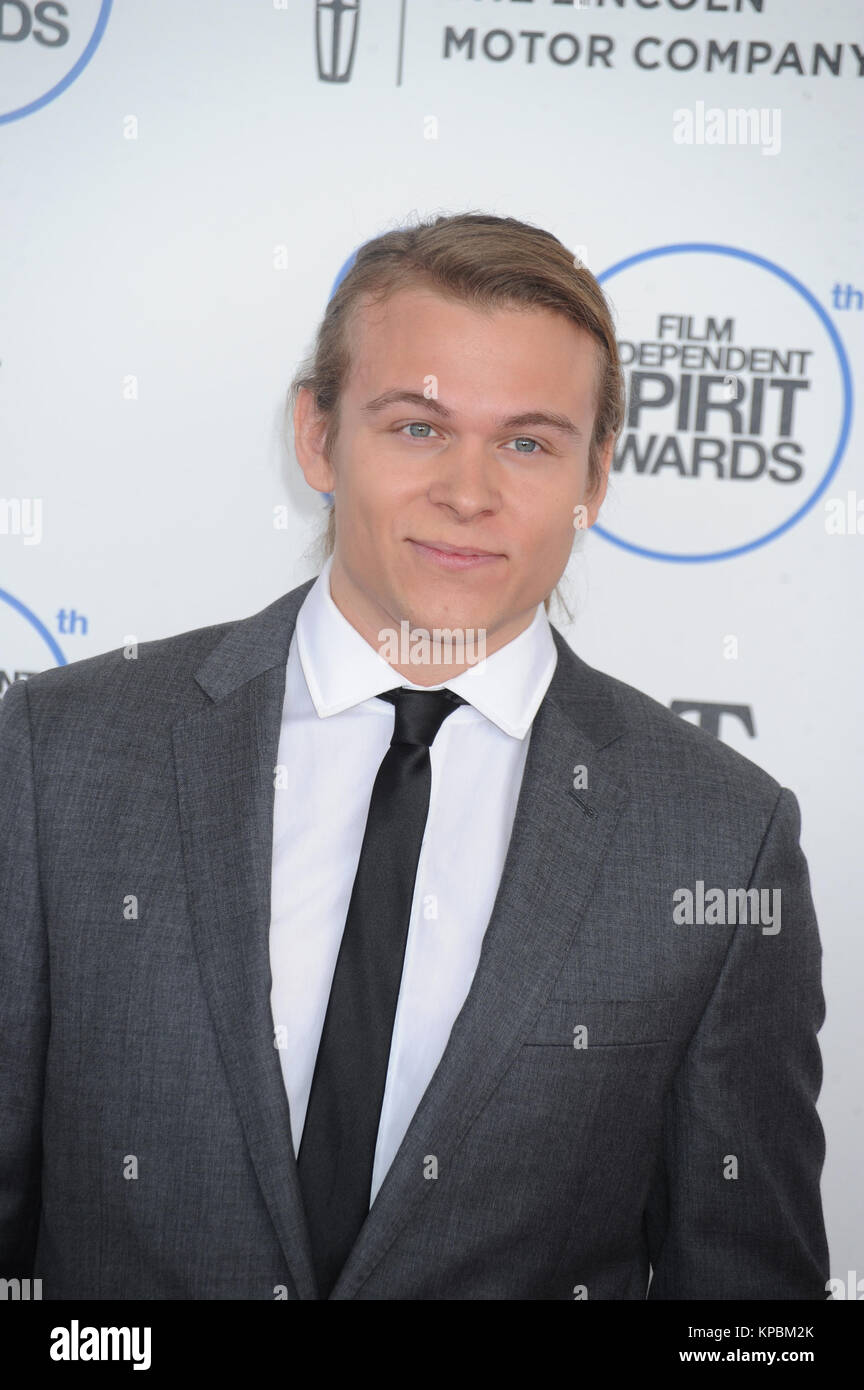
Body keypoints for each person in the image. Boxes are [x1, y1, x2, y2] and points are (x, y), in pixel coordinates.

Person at [0, 213, 829, 1300]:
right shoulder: (61, 754)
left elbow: (746, 1304)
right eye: (417, 428)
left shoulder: (724, 835)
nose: (470, 494)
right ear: (317, 437)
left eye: (528, 442)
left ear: (597, 478)